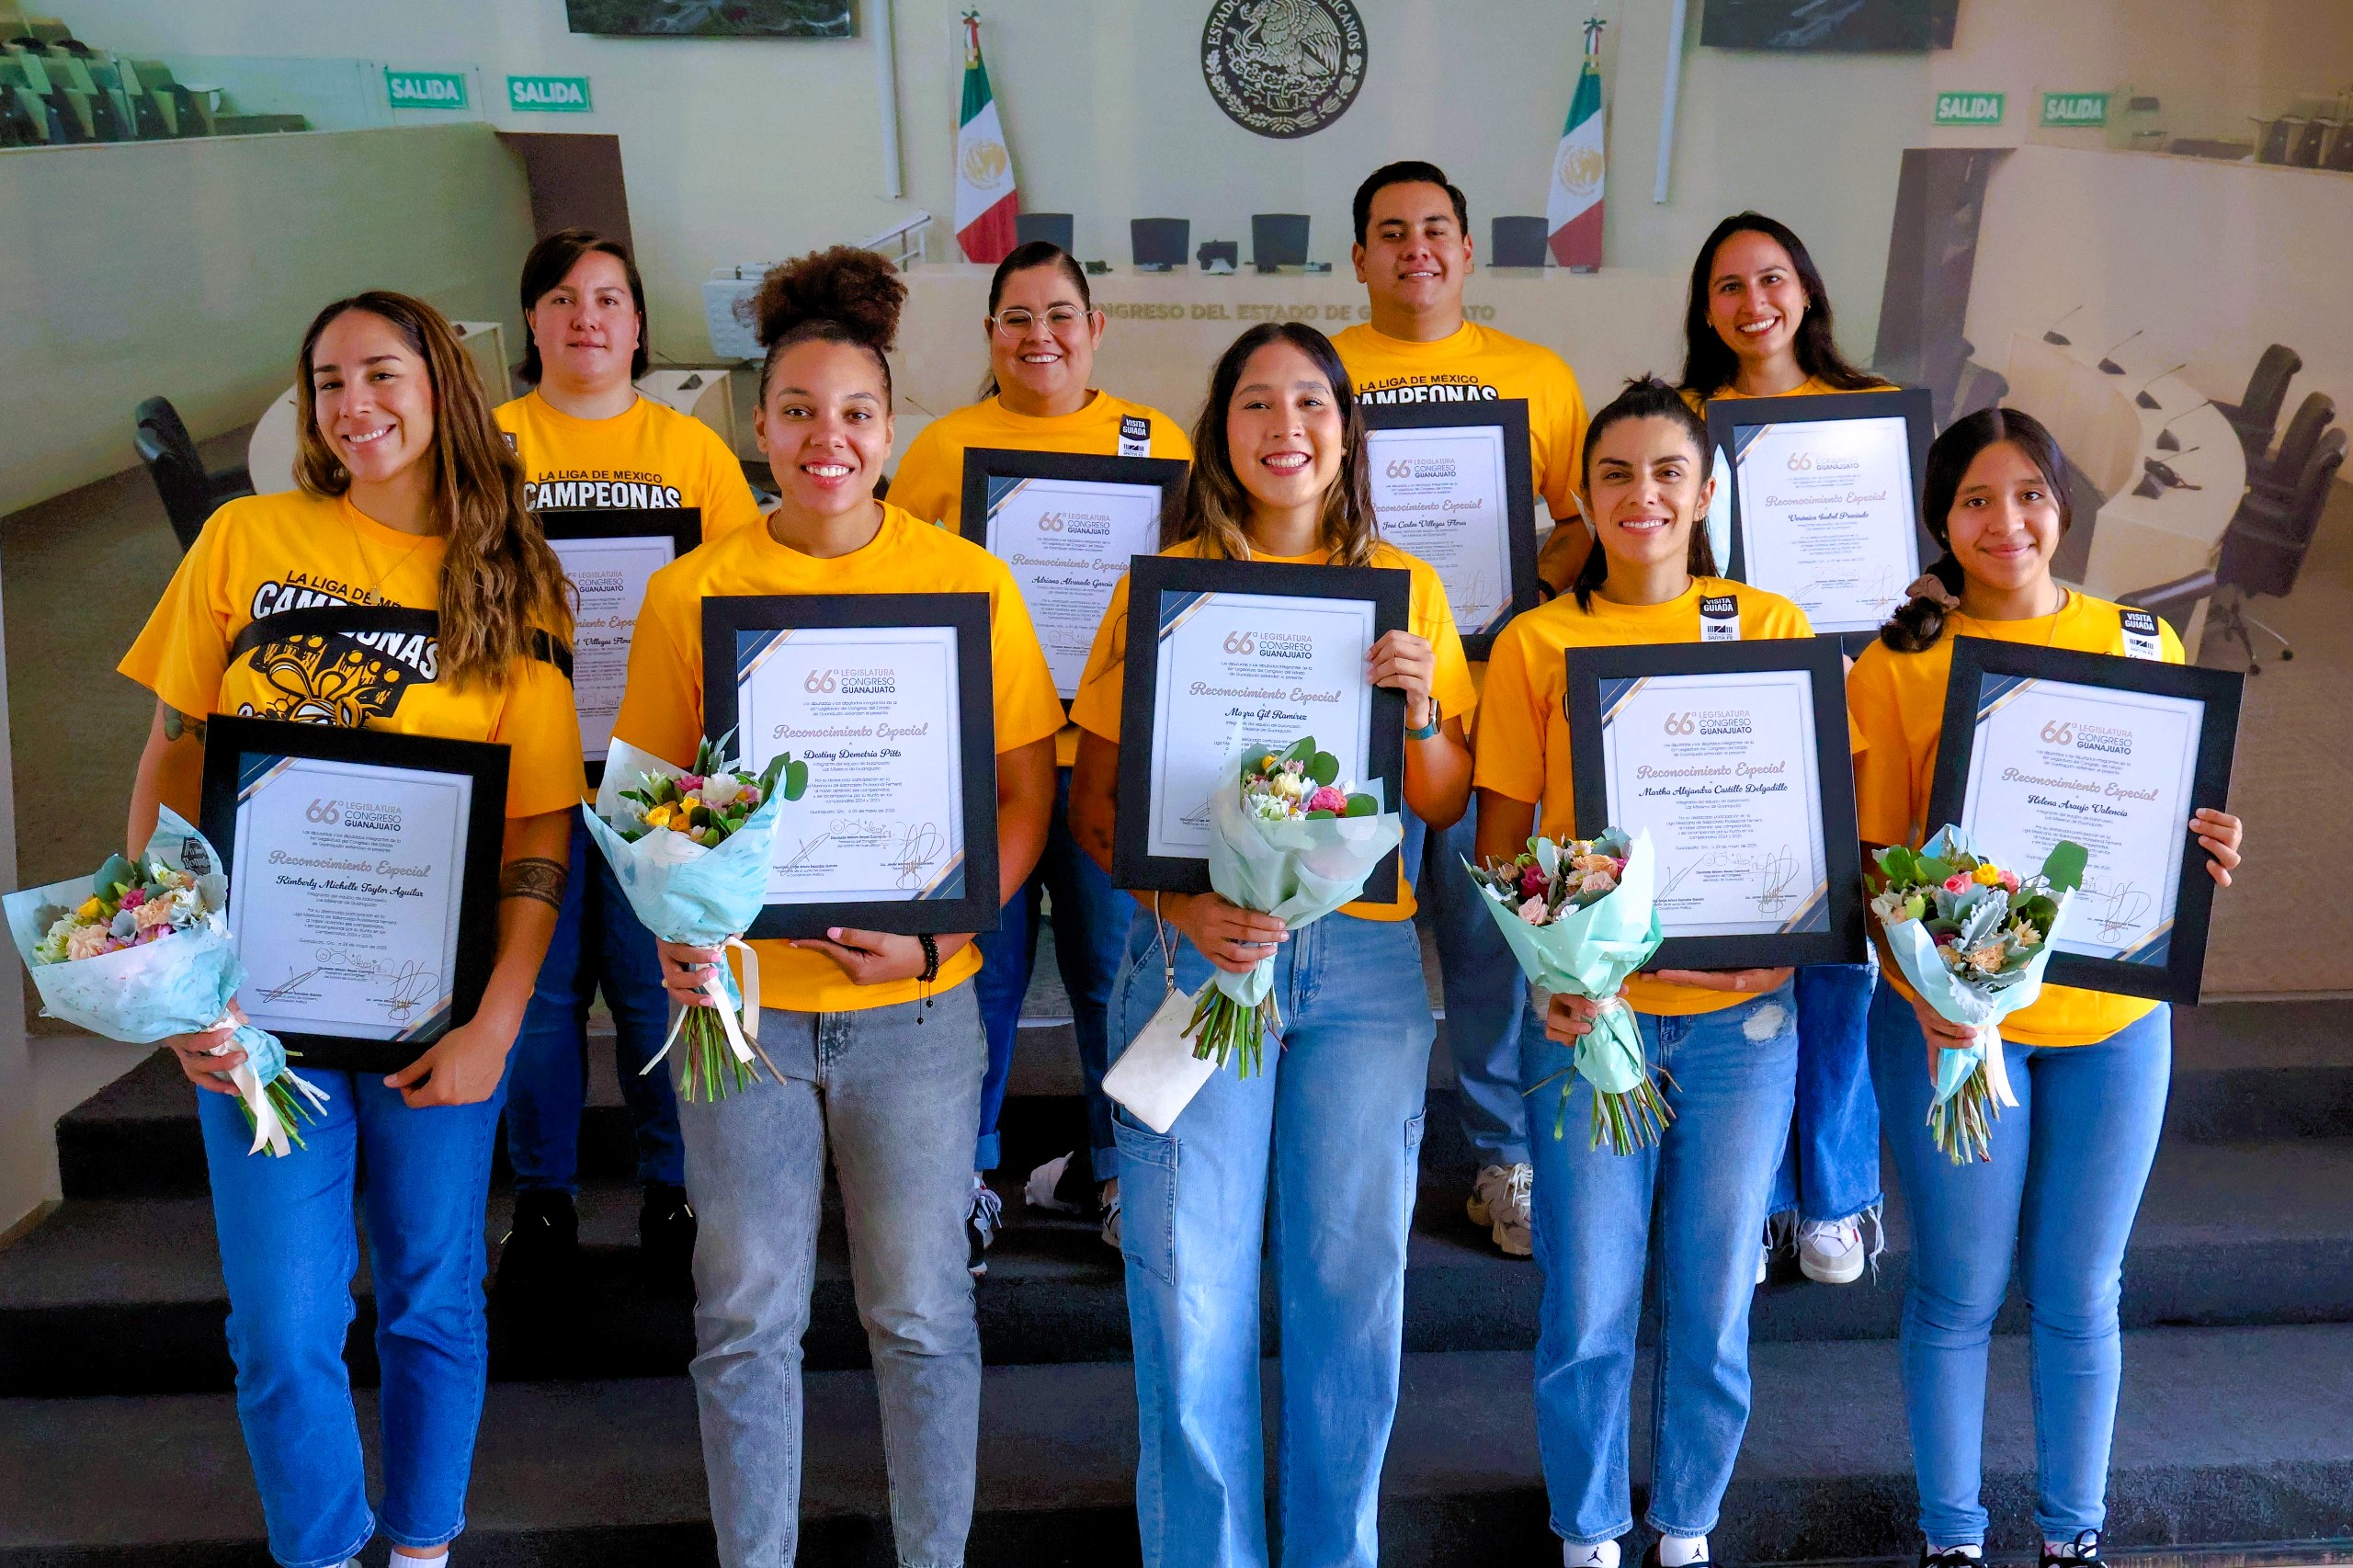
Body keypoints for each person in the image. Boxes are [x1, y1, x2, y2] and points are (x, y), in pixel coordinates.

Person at [611, 246, 1061, 1568]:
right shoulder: (694, 592)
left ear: (888, 428)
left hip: (917, 1009)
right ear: (758, 428)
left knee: (920, 1309)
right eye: (799, 410)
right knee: (743, 1311)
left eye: (855, 412)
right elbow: (647, 805)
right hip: (740, 1015)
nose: (828, 437)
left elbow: (1023, 793)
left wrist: (948, 932)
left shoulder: (966, 582)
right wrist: (676, 928)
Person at [120, 291, 583, 1568]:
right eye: (327, 381)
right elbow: (170, 763)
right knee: (279, 1323)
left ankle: (425, 1548)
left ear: (440, 387)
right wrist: (169, 982)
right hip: (257, 1011)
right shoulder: (245, 539)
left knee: (434, 1298)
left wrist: (499, 1025)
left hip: (439, 1012)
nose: (354, 404)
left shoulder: (517, 578)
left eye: (381, 374)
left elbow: (539, 835)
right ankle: (321, 1553)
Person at [1065, 320, 1476, 1568]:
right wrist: (1183, 909)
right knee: (1190, 1294)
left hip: (1361, 966)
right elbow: (1097, 799)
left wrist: (1417, 715)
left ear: (1345, 430)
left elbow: (1447, 800)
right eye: (1256, 402)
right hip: (1199, 954)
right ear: (1221, 430)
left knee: (1352, 1293)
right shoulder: (1161, 591)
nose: (1284, 426)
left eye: (1310, 402)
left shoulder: (1412, 590)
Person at [1851, 407, 2244, 1568]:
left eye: (2028, 493)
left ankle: (2075, 1538)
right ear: (1941, 520)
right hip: (1956, 1022)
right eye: (1975, 498)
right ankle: (1953, 1540)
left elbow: (2165, 822)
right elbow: (1874, 865)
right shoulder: (1899, 662)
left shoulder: (2137, 641)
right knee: (1959, 1288)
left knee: (2081, 1287)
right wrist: (1917, 988)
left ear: (2063, 507)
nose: (2004, 520)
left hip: (2114, 1019)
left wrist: (2207, 843)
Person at [1474, 377, 1808, 1568]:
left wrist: (1792, 925)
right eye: (1615, 474)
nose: (1642, 495)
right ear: (1583, 494)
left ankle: (1689, 1519)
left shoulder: (1770, 629)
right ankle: (1590, 1524)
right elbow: (1499, 845)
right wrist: (1548, 968)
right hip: (1586, 1020)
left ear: (1708, 491)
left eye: (1668, 471)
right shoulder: (1538, 641)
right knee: (1589, 1296)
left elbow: (1808, 826)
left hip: (1742, 1022)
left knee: (1715, 1298)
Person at [888, 239, 1192, 1269]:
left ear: (1095, 327)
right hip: (987, 757)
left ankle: (1120, 1173)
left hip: (1112, 754)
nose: (1039, 335)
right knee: (982, 969)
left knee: (1117, 969)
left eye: (1060, 313)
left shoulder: (1157, 444)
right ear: (989, 334)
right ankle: (965, 1176)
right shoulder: (943, 450)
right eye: (1016, 317)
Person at [494, 226, 767, 1291]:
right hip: (530, 774)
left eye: (607, 298)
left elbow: (734, 601)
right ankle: (546, 1196)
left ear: (639, 320)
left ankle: (672, 1183)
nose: (585, 318)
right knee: (544, 997)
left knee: (661, 994)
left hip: (657, 779)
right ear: (530, 319)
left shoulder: (692, 451)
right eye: (561, 298)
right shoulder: (490, 445)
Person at [1331, 158, 1594, 1259]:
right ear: (1358, 258)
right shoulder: (1324, 369)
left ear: (1468, 249)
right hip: (1354, 695)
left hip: (1497, 690)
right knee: (1353, 933)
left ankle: (1501, 1152)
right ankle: (1351, 1150)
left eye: (1435, 228)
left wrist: (1519, 592)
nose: (1414, 250)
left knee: (1491, 938)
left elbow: (1584, 521)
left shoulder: (1535, 373)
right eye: (1389, 232)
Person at [1678, 210, 1894, 1287]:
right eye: (1728, 285)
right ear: (1703, 306)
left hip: (1854, 701)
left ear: (1805, 290)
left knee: (1840, 959)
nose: (1752, 302)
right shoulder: (1680, 420)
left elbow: (1918, 575)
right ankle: (1760, 1192)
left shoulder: (1866, 420)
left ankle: (1839, 1189)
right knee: (1749, 949)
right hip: (1731, 720)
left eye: (1770, 279)